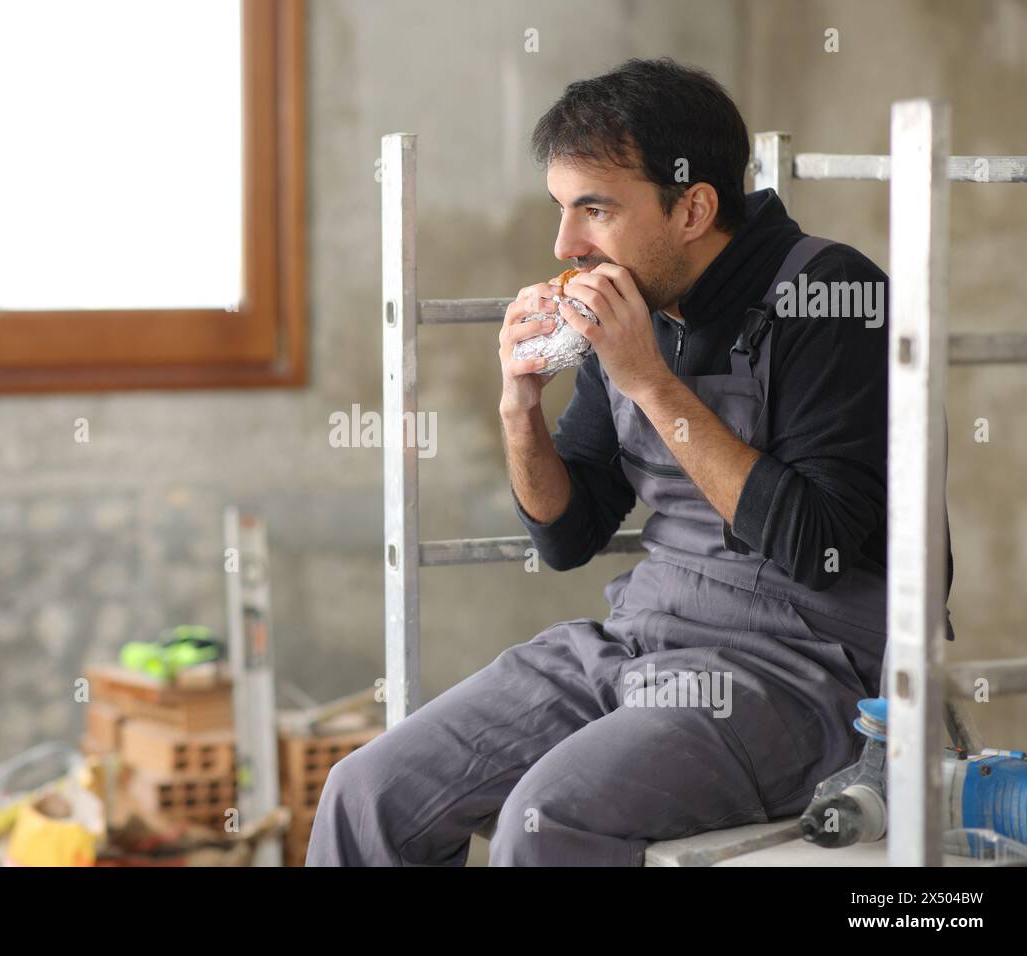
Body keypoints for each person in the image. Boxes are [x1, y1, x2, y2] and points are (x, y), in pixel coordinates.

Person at [306, 57, 953, 867]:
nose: (566, 244)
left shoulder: (829, 296)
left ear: (693, 207)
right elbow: (566, 535)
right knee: (368, 793)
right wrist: (520, 404)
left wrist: (648, 380)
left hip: (796, 677)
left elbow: (815, 544)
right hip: (639, 644)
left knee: (546, 821)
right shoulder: (634, 307)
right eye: (562, 210)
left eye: (595, 210)